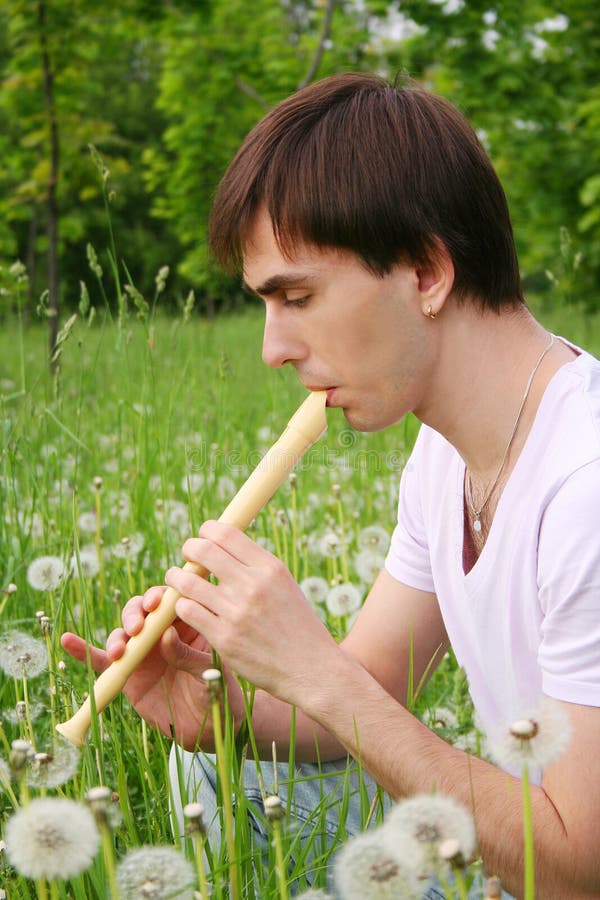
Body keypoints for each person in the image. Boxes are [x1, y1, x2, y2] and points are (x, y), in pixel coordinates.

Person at [62, 72, 600, 899]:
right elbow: (371, 689)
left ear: (425, 273)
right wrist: (224, 704)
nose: (273, 349)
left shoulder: (586, 482)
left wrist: (319, 670)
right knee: (218, 780)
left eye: (298, 297)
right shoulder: (442, 458)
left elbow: (580, 867)